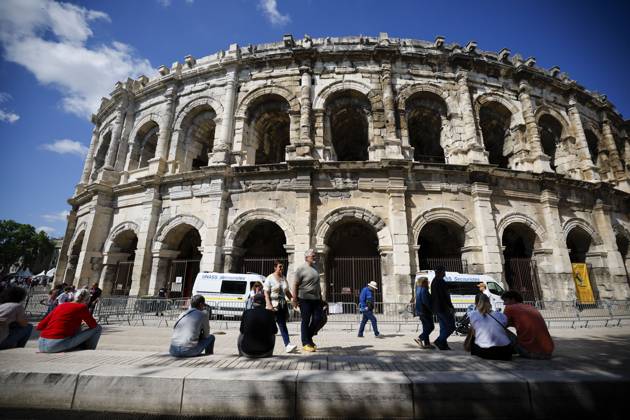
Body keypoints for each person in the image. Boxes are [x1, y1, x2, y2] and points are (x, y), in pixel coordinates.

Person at [37, 288, 102, 353]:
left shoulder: (61, 306)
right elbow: (93, 325)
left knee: (79, 327)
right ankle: (89, 350)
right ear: (87, 300)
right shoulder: (82, 307)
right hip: (54, 345)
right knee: (98, 328)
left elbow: (40, 326)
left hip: (41, 344)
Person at [502, 291, 554, 359]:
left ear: (513, 300)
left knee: (499, 328)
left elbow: (502, 324)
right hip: (548, 350)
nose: (503, 303)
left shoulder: (509, 308)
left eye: (505, 300)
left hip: (529, 351)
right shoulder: (530, 307)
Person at [291, 249, 323, 353]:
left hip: (316, 299)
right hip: (304, 299)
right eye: (313, 256)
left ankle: (308, 337)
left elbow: (317, 285)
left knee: (319, 318)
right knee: (305, 320)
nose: (315, 257)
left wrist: (321, 298)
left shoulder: (315, 268)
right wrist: (294, 299)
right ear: (306, 257)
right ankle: (305, 342)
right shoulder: (301, 269)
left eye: (315, 255)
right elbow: (295, 284)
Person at [466, 293, 512, 360]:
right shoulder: (500, 315)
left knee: (474, 333)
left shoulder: (473, 314)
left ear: (476, 303)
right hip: (505, 352)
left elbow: (474, 333)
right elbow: (504, 326)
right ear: (489, 302)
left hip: (486, 351)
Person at [264, 260, 297, 353]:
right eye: (280, 267)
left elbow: (287, 292)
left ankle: (287, 345)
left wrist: (293, 300)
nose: (282, 268)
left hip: (282, 305)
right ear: (275, 267)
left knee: (282, 325)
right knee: (270, 326)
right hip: (273, 305)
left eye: (282, 267)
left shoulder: (283, 278)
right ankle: (262, 342)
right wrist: (268, 304)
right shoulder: (270, 278)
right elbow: (266, 292)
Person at [238, 294, 278, 358]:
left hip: (246, 352)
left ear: (253, 303)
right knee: (273, 335)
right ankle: (270, 353)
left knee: (241, 334)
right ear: (264, 303)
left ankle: (240, 353)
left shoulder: (246, 312)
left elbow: (242, 330)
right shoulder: (270, 313)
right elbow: (275, 331)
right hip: (265, 352)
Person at [430, 266, 455, 350]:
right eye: (444, 271)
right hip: (443, 308)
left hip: (437, 308)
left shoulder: (434, 281)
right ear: (441, 272)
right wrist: (450, 306)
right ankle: (439, 341)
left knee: (443, 327)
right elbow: (445, 296)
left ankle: (443, 345)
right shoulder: (441, 281)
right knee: (451, 326)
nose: (445, 273)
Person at [414, 277, 434, 349]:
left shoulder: (418, 289)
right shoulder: (424, 290)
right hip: (425, 311)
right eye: (427, 281)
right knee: (431, 327)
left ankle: (427, 344)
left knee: (426, 328)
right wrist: (432, 310)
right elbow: (426, 302)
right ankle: (420, 338)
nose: (428, 282)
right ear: (423, 282)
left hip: (420, 311)